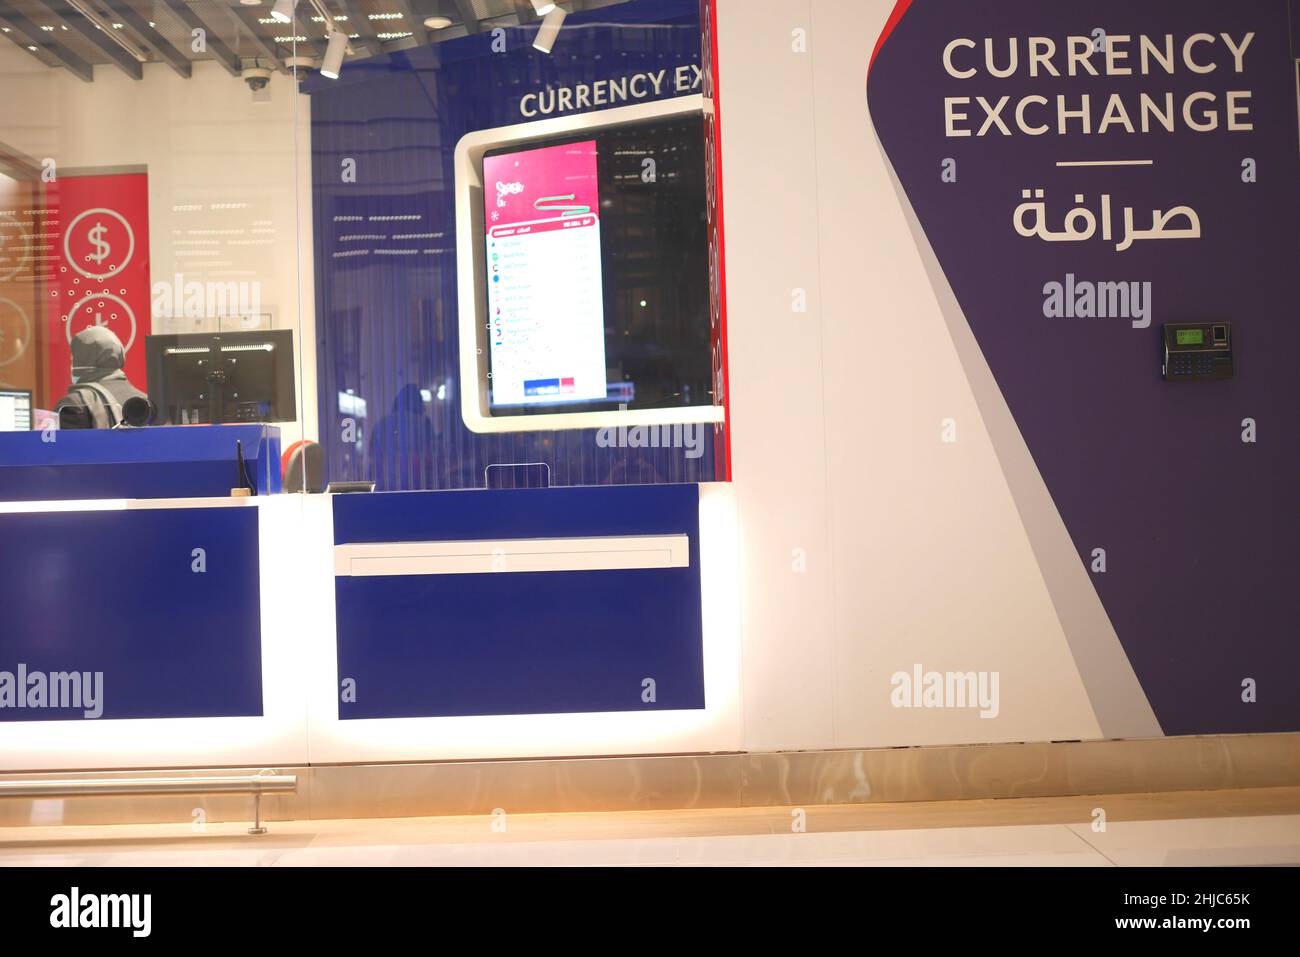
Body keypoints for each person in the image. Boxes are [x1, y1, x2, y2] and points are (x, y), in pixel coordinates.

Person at [54, 326, 149, 429]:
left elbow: (63, 444)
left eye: (73, 360)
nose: (71, 365)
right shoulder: (146, 401)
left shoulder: (73, 405)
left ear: (82, 360)